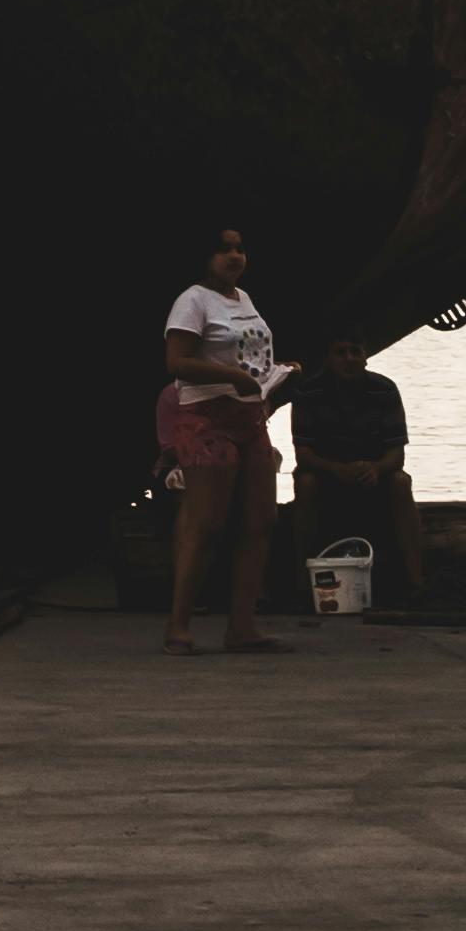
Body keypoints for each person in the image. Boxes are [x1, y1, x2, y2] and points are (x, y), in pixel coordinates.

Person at [158, 222, 284, 651]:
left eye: (239, 248)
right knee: (205, 522)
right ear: (203, 258)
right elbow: (177, 361)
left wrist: (274, 373)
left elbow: (248, 353)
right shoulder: (192, 301)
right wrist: (229, 376)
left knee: (261, 519)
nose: (234, 256)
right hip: (207, 418)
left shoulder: (242, 298)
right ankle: (178, 625)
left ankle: (242, 626)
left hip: (250, 416)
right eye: (223, 250)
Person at [286, 332, 427, 604]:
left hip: (372, 475)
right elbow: (304, 455)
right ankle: (300, 582)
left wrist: (376, 468)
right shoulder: (307, 391)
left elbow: (396, 454)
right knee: (305, 482)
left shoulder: (385, 390)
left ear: (365, 357)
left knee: (400, 481)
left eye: (355, 352)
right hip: (326, 473)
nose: (349, 359)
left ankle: (416, 581)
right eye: (340, 352)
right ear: (328, 359)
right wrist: (336, 469)